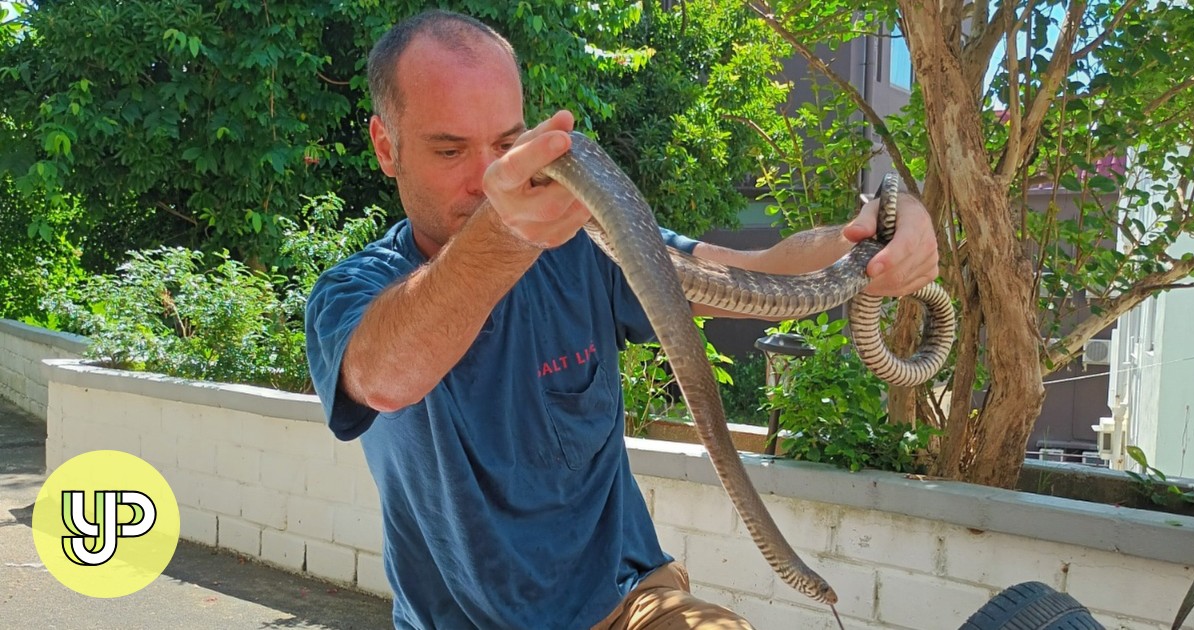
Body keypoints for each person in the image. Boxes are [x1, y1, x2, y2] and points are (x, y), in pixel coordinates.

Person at [304, 9, 938, 630]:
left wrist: (883, 225)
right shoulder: (352, 295)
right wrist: (504, 234)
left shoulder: (587, 245)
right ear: (387, 147)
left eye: (505, 144)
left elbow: (754, 271)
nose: (488, 177)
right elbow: (386, 375)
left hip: (626, 603)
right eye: (449, 150)